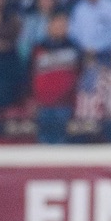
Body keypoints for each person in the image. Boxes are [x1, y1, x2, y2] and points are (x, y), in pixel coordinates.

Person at [29, 11, 79, 143]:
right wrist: (30, 99)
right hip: (43, 105)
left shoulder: (74, 48)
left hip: (64, 105)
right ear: (49, 26)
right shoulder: (38, 48)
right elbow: (29, 75)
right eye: (57, 24)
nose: (61, 27)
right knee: (43, 144)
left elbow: (78, 74)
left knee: (62, 143)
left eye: (64, 25)